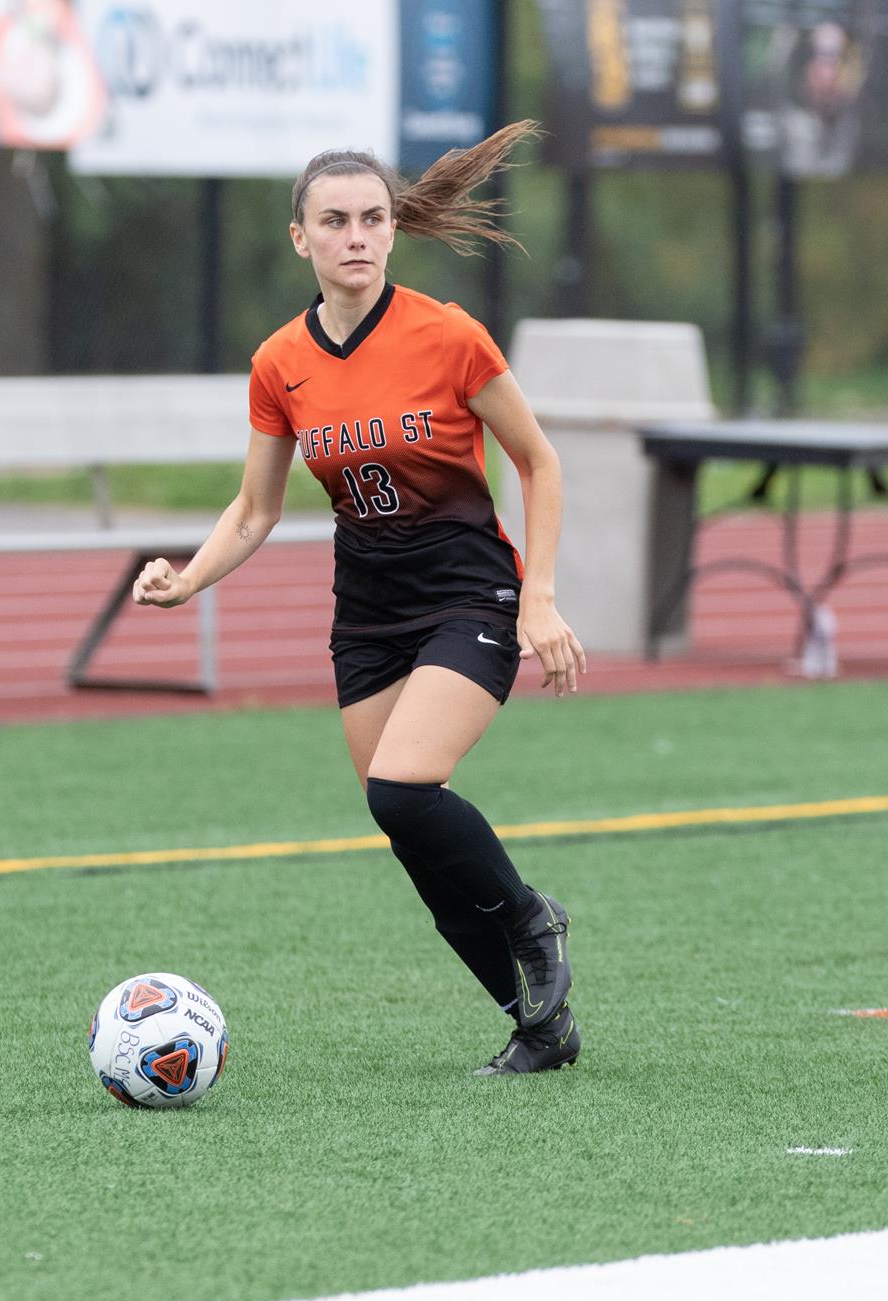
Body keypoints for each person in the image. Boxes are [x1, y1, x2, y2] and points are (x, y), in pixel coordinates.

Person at [131, 121, 588, 1076]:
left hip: (471, 591)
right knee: (411, 836)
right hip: (369, 611)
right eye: (335, 221)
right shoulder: (279, 362)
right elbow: (255, 509)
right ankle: (538, 1024)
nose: (358, 237)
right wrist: (189, 576)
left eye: (374, 218)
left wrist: (537, 599)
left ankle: (534, 919)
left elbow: (538, 464)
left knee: (402, 785)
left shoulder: (450, 334)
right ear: (300, 237)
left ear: (393, 230)